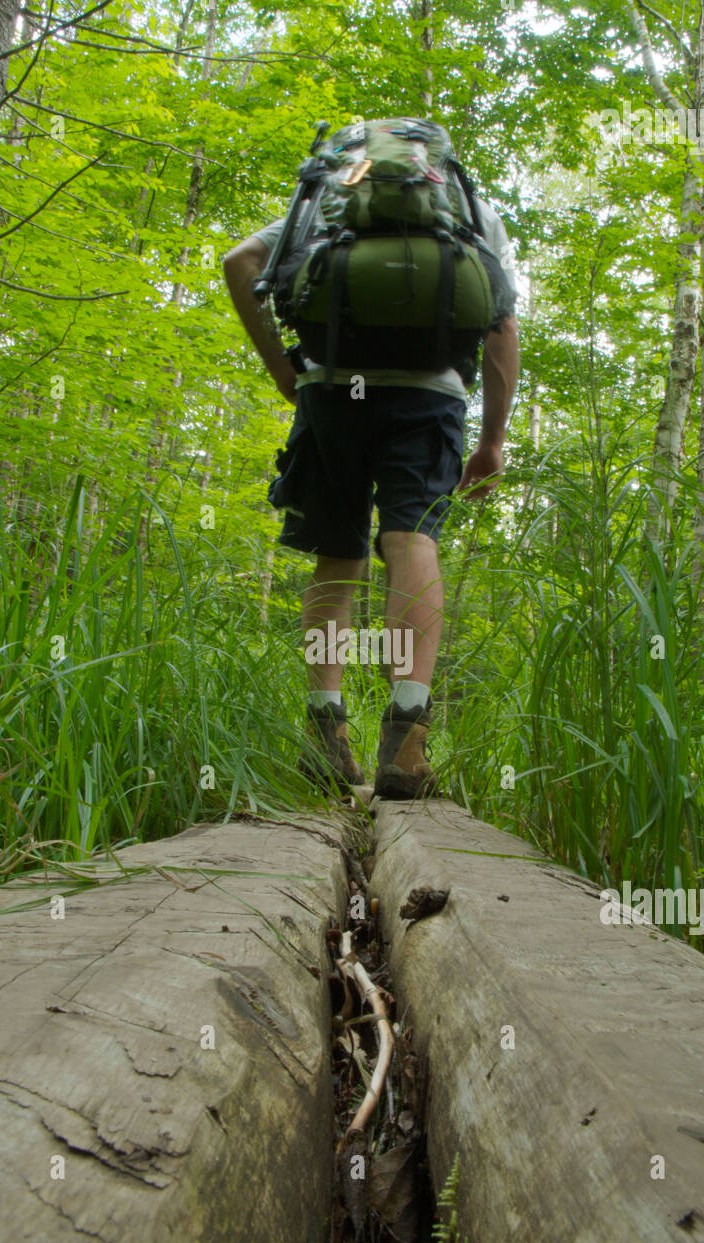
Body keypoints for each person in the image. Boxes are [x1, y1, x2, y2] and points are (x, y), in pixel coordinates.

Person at [223, 139, 519, 799]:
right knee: (413, 537)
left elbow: (239, 261)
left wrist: (282, 368)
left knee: (337, 553)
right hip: (431, 392)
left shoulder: (332, 199)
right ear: (434, 161)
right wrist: (493, 438)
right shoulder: (468, 209)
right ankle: (406, 739)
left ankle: (327, 734)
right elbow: (500, 328)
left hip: (332, 389)